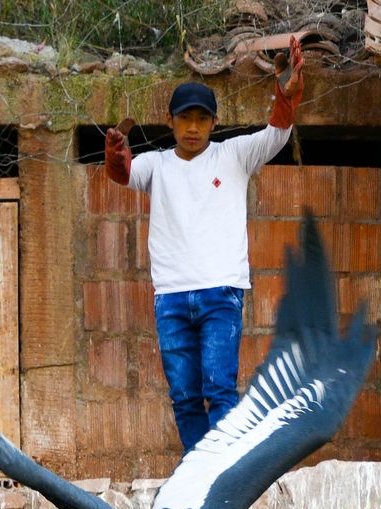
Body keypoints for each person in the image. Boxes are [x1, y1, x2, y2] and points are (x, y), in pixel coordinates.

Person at [105, 36, 305, 453]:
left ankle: (221, 470)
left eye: (201, 118)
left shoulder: (233, 155)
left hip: (221, 293)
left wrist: (286, 95)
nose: (192, 127)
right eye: (184, 119)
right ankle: (198, 472)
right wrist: (115, 151)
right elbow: (123, 173)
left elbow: (276, 134)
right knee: (183, 395)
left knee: (219, 388)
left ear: (214, 123)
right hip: (171, 298)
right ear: (171, 121)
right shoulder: (156, 165)